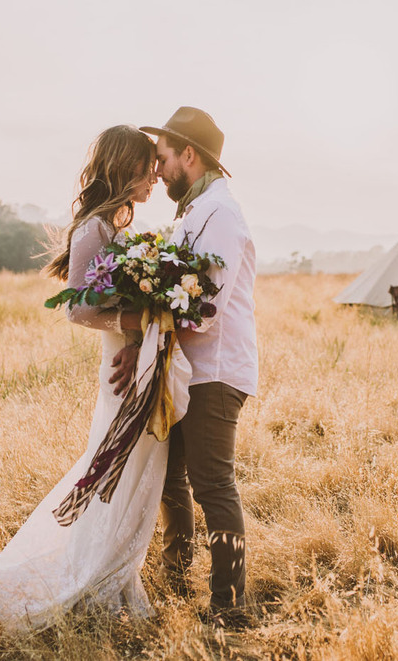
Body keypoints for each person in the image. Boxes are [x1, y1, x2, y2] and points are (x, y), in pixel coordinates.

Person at [0, 125, 161, 633]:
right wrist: (136, 324)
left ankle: (118, 576)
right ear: (126, 167)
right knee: (110, 469)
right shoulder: (93, 230)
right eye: (148, 167)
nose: (155, 177)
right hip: (120, 369)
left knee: (134, 470)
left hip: (138, 360)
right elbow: (78, 309)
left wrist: (144, 333)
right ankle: (86, 574)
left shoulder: (120, 230)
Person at [110, 107, 258, 625]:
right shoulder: (194, 212)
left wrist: (149, 327)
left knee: (213, 483)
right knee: (170, 477)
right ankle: (176, 575)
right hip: (184, 369)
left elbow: (204, 308)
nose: (158, 168)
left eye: (164, 157)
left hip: (215, 371)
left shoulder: (220, 214)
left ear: (189, 156)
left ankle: (229, 604)